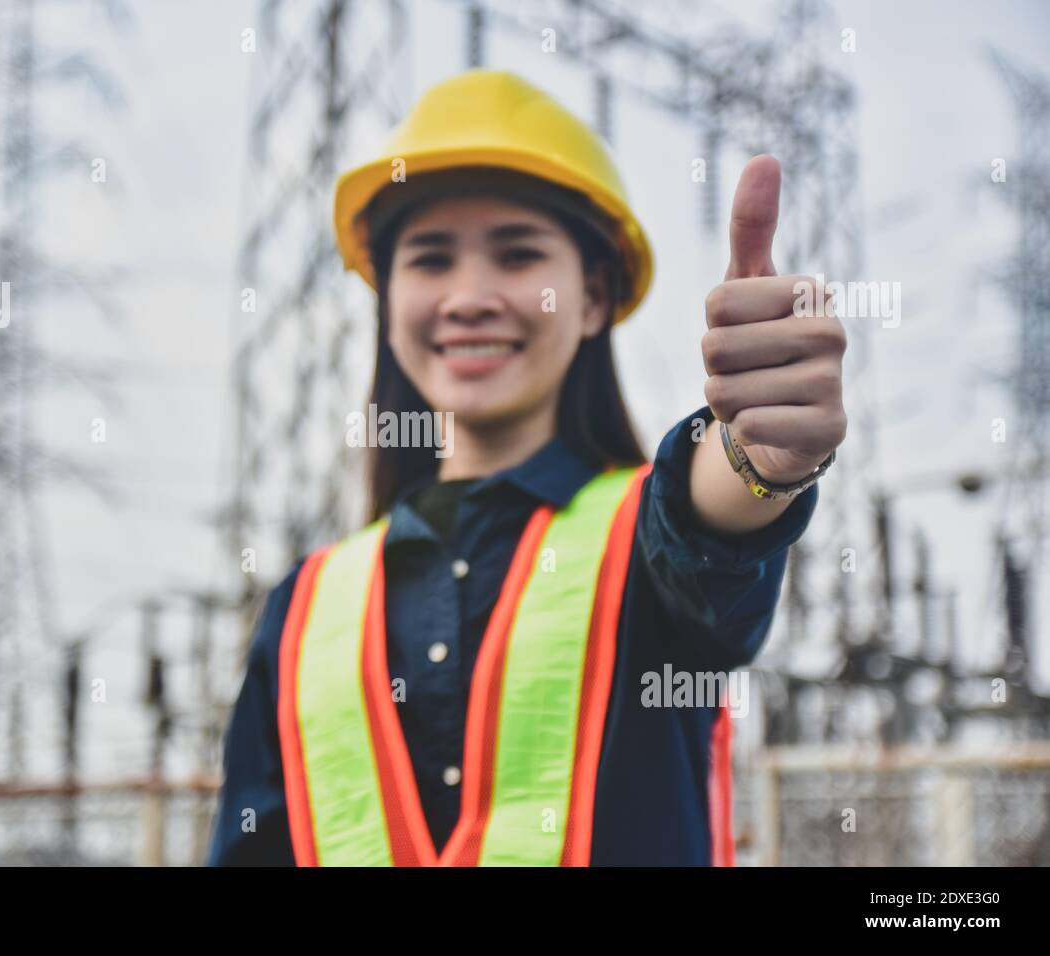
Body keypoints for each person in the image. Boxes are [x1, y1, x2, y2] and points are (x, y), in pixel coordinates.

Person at [208, 69, 846, 866]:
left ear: (590, 298)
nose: (470, 296)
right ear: (386, 301)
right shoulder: (304, 611)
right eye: (431, 259)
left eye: (517, 254)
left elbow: (709, 523)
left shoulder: (647, 539)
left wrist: (759, 459)